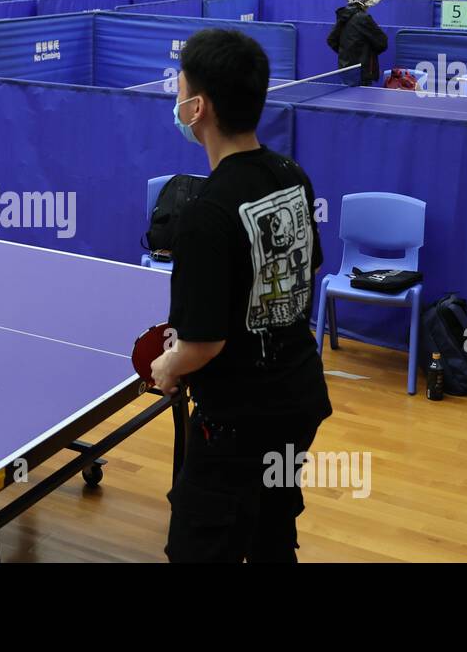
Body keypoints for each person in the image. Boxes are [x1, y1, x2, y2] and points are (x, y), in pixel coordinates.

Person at [152, 28, 331, 563]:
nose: (177, 100)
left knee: (201, 546)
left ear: (198, 107)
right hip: (299, 401)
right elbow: (302, 273)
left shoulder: (205, 214)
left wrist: (168, 367)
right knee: (272, 531)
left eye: (180, 90)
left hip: (235, 424)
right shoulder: (290, 174)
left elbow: (202, 345)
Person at [327, 0, 389, 85]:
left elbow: (332, 40)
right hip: (361, 73)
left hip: (344, 70)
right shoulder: (363, 19)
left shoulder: (344, 14)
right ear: (369, 1)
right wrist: (367, 53)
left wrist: (345, 54)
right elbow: (382, 43)